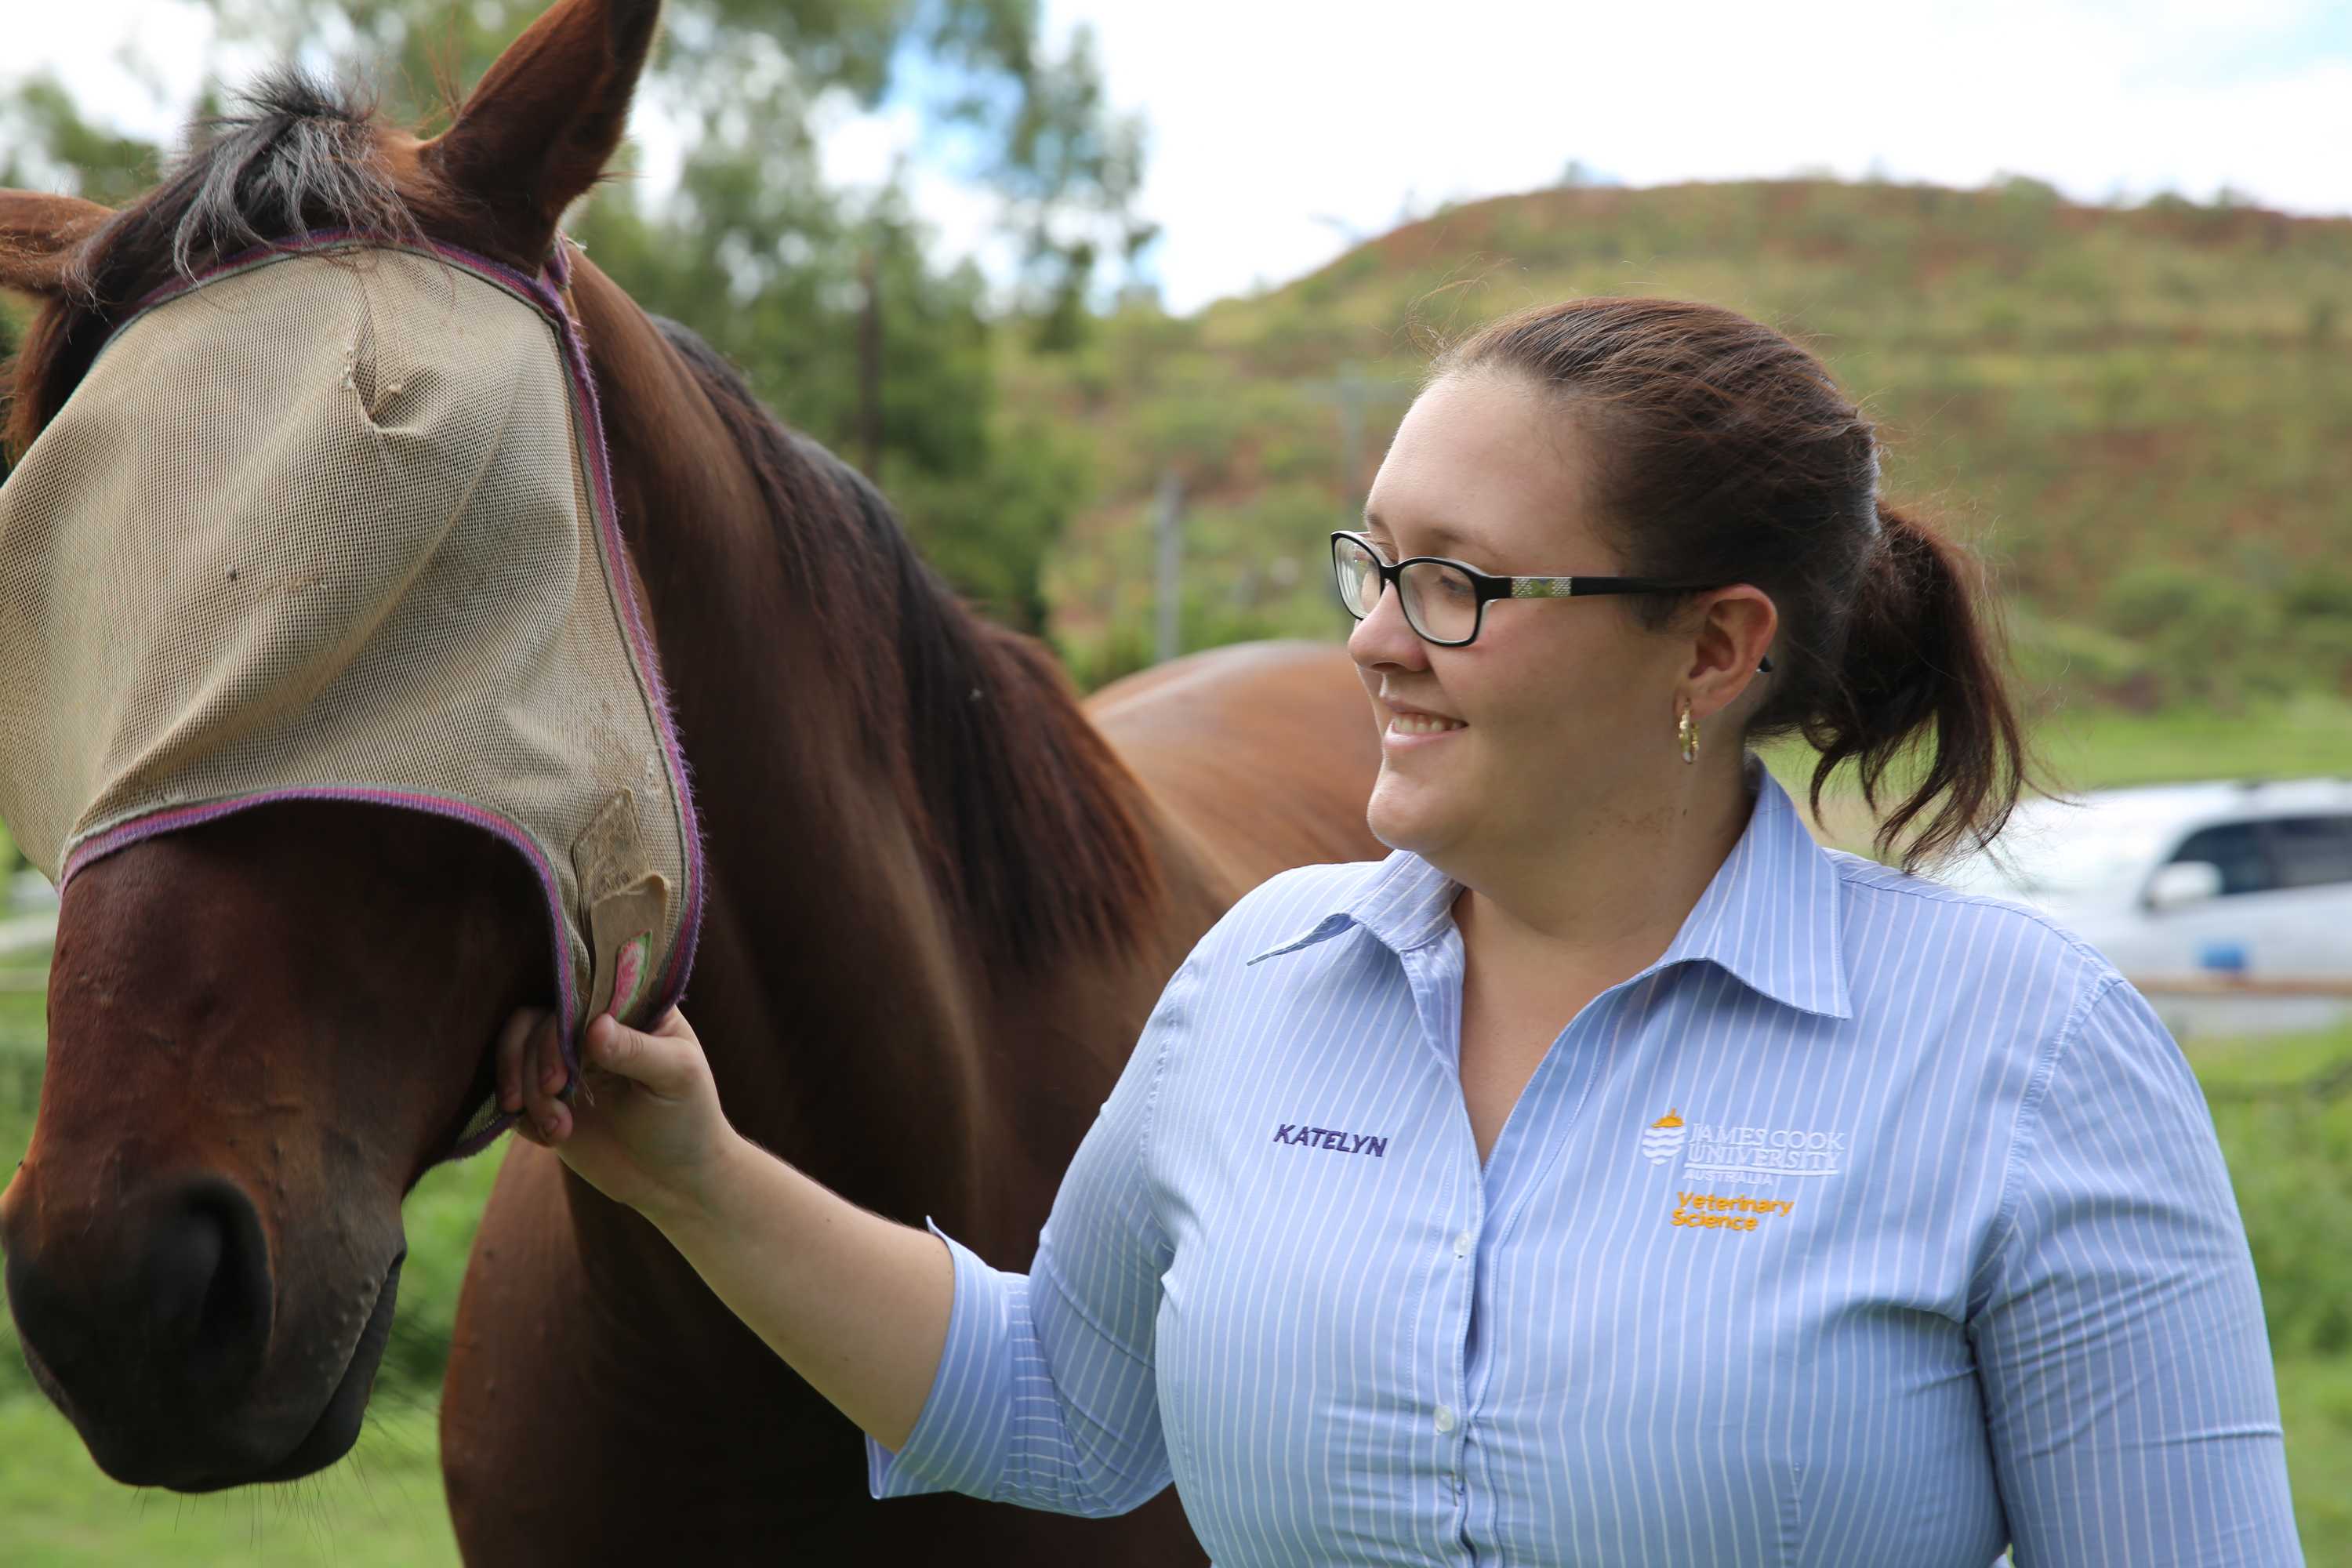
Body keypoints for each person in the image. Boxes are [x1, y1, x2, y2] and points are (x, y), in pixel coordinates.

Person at [497, 297, 2303, 1566]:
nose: (1374, 638)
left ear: (1712, 648)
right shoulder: (1267, 981)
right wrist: (695, 1171)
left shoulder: (2029, 1057)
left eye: (1456, 583)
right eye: (1371, 563)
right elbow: (1062, 1398)